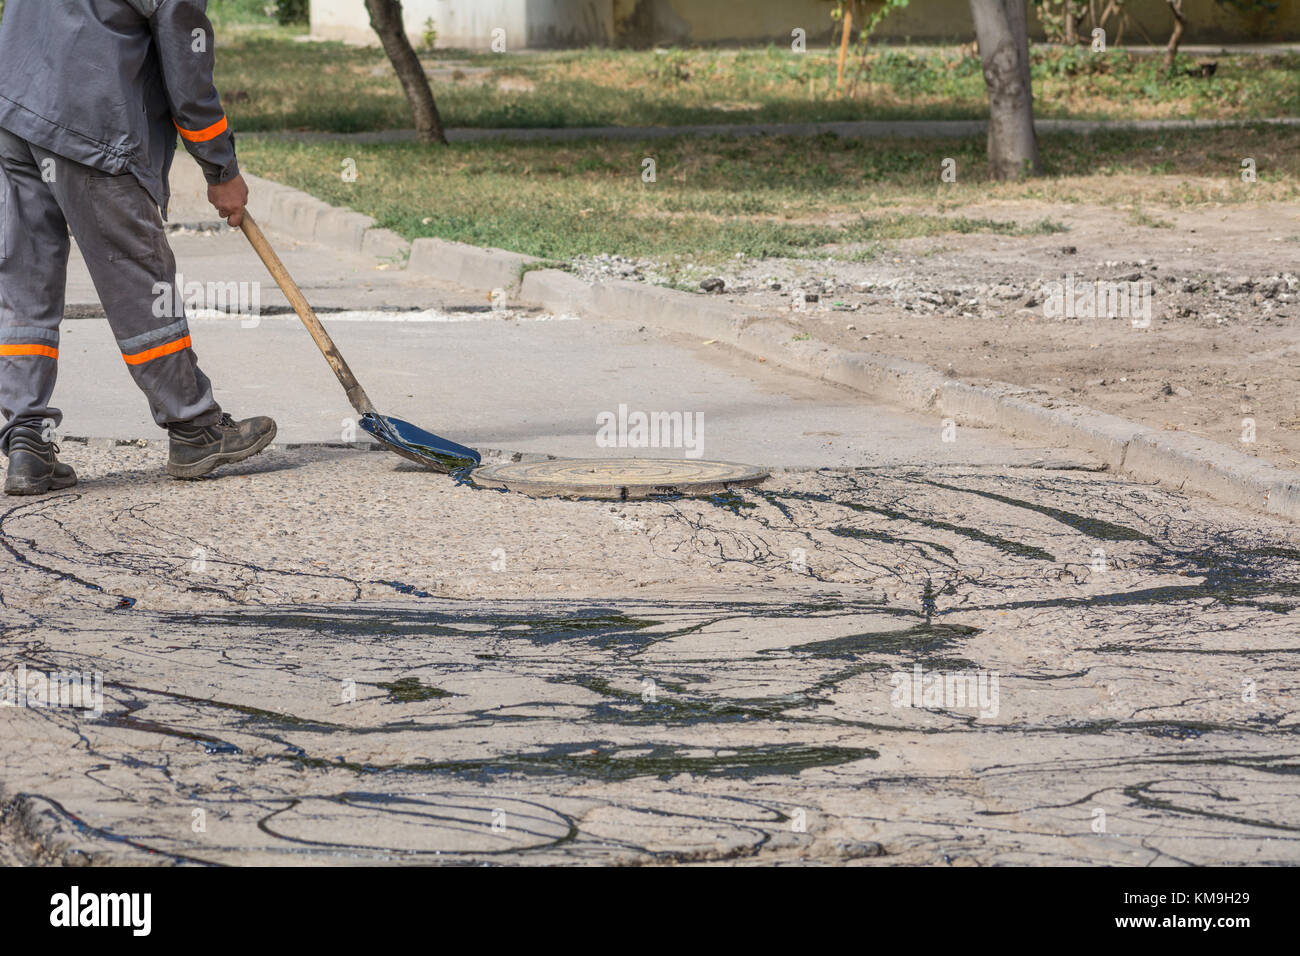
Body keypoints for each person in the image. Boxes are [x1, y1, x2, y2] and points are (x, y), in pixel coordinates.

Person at [0, 0, 275, 496]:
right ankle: (193, 427)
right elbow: (188, 76)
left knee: (26, 286)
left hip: (13, 118)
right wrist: (221, 169)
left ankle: (28, 443)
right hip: (90, 129)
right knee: (139, 282)